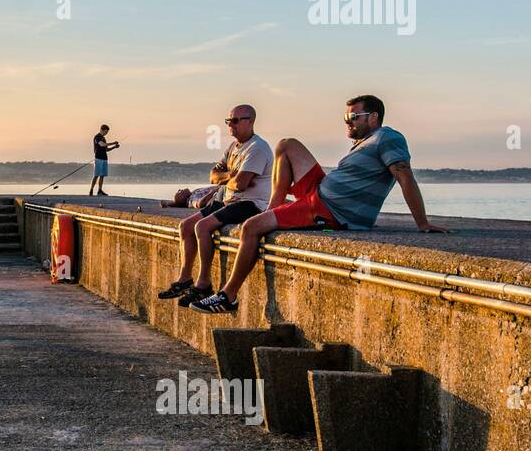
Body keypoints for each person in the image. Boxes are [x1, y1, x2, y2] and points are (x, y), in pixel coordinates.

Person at [191, 95, 448, 315]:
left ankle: (228, 296)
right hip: (320, 193)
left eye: (354, 117)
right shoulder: (365, 142)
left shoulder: (387, 138)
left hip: (328, 209)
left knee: (250, 228)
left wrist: (422, 223)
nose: (348, 122)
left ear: (374, 117)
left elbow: (405, 175)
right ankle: (274, 207)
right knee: (287, 144)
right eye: (346, 118)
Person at [158, 105, 273, 309]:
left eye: (236, 121)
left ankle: (204, 284)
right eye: (229, 121)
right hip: (227, 199)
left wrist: (230, 178)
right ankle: (185, 279)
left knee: (202, 227)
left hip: (249, 204)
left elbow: (242, 184)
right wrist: (231, 176)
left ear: (250, 121)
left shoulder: (258, 148)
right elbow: (214, 175)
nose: (231, 126)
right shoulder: (232, 147)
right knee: (186, 226)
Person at [90, 125, 120, 196]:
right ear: (102, 130)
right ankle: (91, 190)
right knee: (96, 175)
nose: (106, 133)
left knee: (102, 175)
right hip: (98, 158)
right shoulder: (97, 137)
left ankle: (99, 190)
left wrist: (114, 147)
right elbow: (102, 145)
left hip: (104, 159)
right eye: (105, 132)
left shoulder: (103, 138)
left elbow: (106, 149)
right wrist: (113, 143)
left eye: (107, 132)